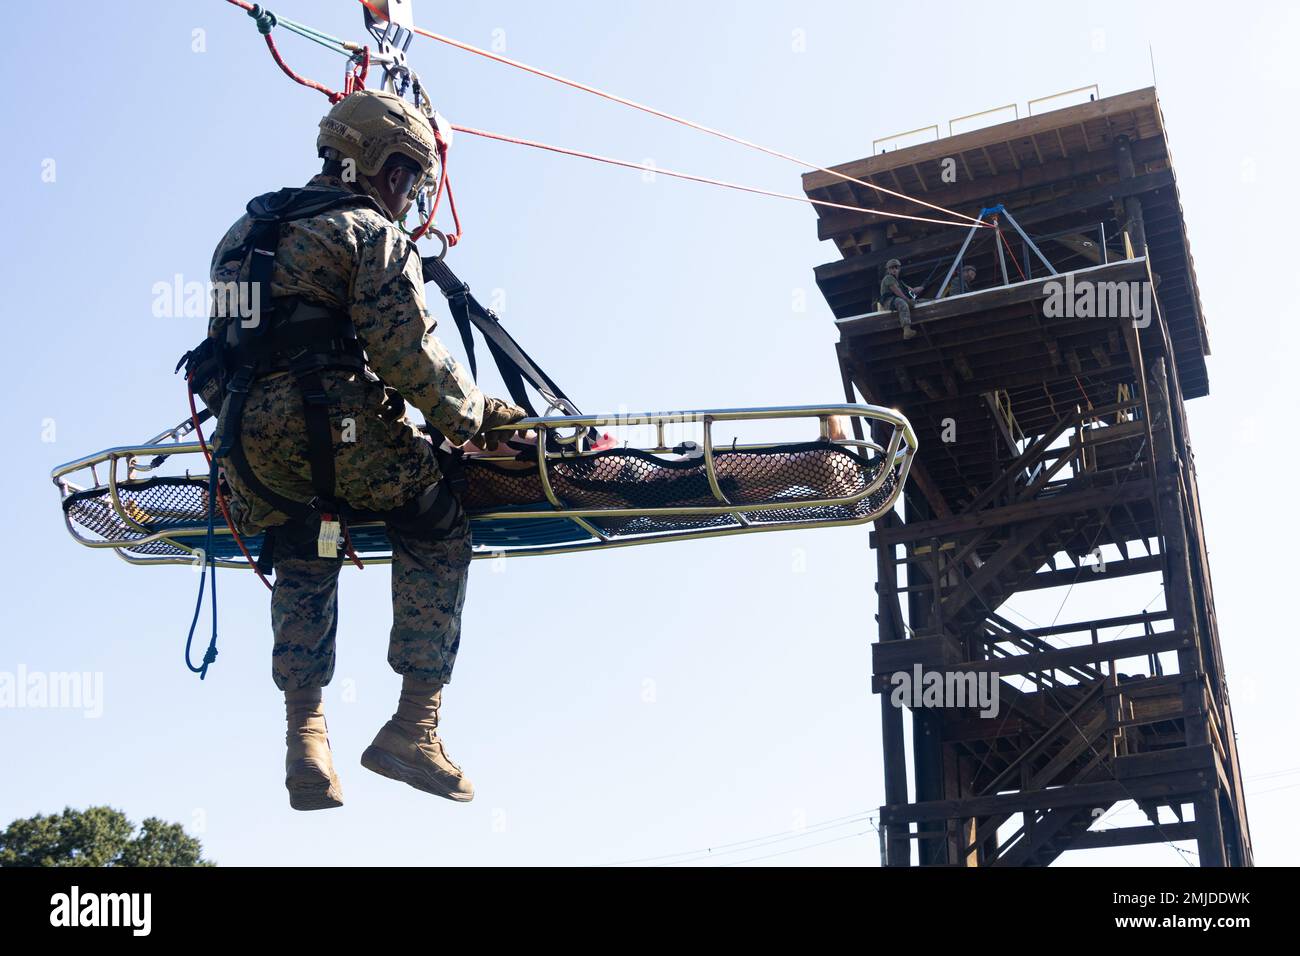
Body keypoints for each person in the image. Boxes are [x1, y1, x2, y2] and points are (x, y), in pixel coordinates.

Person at [205, 89, 526, 810]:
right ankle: (414, 727)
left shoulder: (241, 232)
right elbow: (409, 359)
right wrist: (477, 423)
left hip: (252, 449)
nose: (409, 192)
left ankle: (306, 740)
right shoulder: (368, 233)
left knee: (305, 547)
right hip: (342, 433)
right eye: (408, 173)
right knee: (436, 527)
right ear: (379, 164)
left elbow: (225, 351)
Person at [879, 258, 923, 339]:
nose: (894, 270)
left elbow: (912, 291)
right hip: (889, 301)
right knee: (901, 302)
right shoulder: (888, 278)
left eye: (896, 267)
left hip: (896, 299)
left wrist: (921, 288)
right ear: (888, 270)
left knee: (919, 302)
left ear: (899, 269)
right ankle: (907, 330)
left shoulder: (900, 282)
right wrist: (907, 300)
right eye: (892, 268)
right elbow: (896, 291)